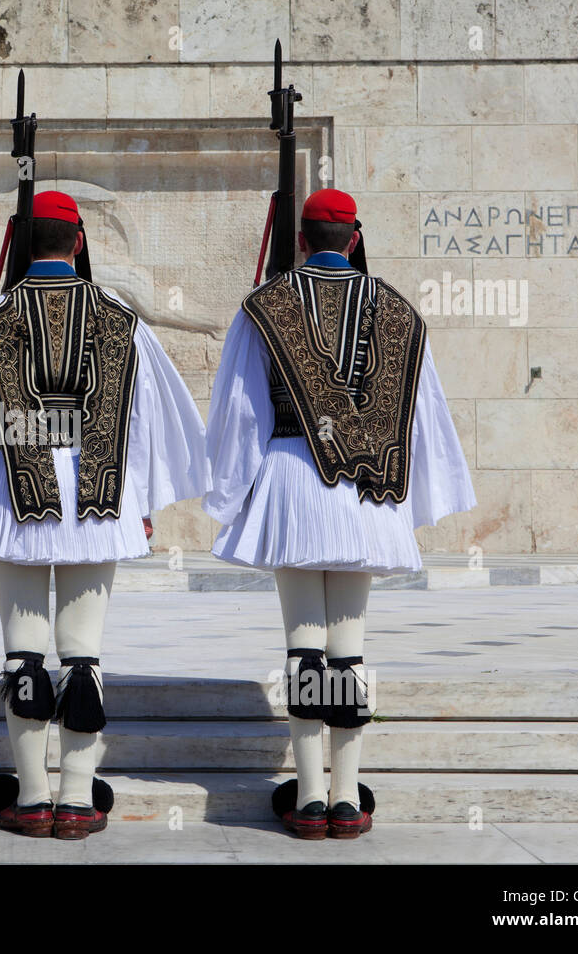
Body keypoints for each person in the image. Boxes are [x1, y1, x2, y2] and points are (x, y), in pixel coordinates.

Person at [0, 190, 208, 839]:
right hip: (99, 497)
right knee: (84, 654)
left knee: (24, 654)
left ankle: (31, 794)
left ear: (24, 244)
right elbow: (151, 417)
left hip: (10, 496)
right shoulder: (122, 319)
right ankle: (76, 800)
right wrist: (142, 502)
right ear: (79, 243)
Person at [203, 188, 476, 840]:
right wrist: (413, 500)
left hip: (293, 478)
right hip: (367, 489)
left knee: (304, 646)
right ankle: (348, 800)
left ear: (301, 240)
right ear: (354, 237)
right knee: (348, 652)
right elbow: (423, 416)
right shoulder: (399, 313)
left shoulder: (266, 307)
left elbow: (242, 413)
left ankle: (308, 796)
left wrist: (227, 494)